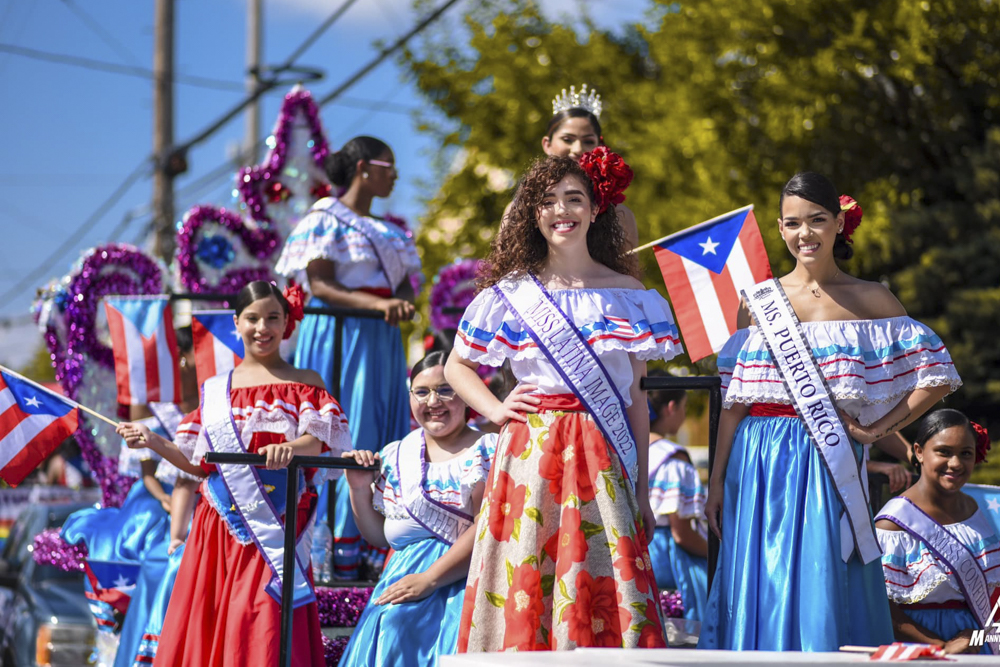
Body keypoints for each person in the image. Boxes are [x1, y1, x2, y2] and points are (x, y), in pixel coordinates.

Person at [700, 172, 963, 651]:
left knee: (825, 571)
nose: (806, 234)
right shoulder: (756, 304)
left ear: (839, 223)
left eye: (818, 220)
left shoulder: (872, 299)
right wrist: (716, 480)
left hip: (829, 458)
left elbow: (937, 375)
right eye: (793, 223)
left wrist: (874, 431)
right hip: (757, 459)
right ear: (780, 230)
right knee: (759, 573)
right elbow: (735, 404)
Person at [446, 153, 682, 651]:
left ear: (596, 210)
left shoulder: (631, 297)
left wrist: (639, 484)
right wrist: (494, 410)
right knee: (525, 574)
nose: (561, 210)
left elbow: (637, 400)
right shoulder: (508, 295)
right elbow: (455, 366)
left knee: (600, 575)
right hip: (529, 455)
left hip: (604, 457)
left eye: (574, 198)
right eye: (547, 202)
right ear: (534, 215)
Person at [117, 280, 352, 667]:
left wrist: (289, 449)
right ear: (237, 324)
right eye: (253, 318)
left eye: (273, 317)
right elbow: (197, 463)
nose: (263, 327)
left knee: (263, 620)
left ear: (286, 322)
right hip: (220, 530)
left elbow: (318, 441)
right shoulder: (214, 391)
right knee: (221, 625)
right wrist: (151, 441)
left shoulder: (307, 383)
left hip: (279, 524)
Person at [276, 135, 421, 579]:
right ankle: (337, 546)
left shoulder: (392, 231)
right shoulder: (324, 218)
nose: (394, 174)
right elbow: (319, 284)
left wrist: (396, 302)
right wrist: (379, 305)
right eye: (388, 164)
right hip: (342, 330)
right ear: (362, 167)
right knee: (348, 423)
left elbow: (403, 283)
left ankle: (376, 538)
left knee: (382, 422)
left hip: (380, 337)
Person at [338, 351, 496, 666]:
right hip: (399, 584)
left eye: (446, 390)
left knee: (407, 631)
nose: (433, 401)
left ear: (466, 395)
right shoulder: (398, 454)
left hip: (460, 585)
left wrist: (430, 579)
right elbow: (379, 536)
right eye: (422, 392)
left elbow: (486, 526)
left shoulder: (485, 450)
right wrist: (357, 487)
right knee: (390, 630)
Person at [875, 410, 999, 655]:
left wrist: (973, 639)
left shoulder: (984, 513)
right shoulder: (893, 525)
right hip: (920, 648)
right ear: (919, 452)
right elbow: (880, 608)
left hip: (978, 644)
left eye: (965, 453)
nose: (955, 463)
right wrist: (941, 646)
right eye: (944, 452)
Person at [502, 84, 639, 249]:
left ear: (600, 146)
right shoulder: (518, 210)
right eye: (567, 139)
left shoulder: (621, 216)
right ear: (547, 144)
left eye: (588, 141)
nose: (578, 149)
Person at [645, 376, 707, 623]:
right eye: (683, 407)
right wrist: (716, 553)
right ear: (671, 407)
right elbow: (682, 534)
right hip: (668, 560)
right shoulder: (673, 461)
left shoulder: (626, 452)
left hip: (637, 551)